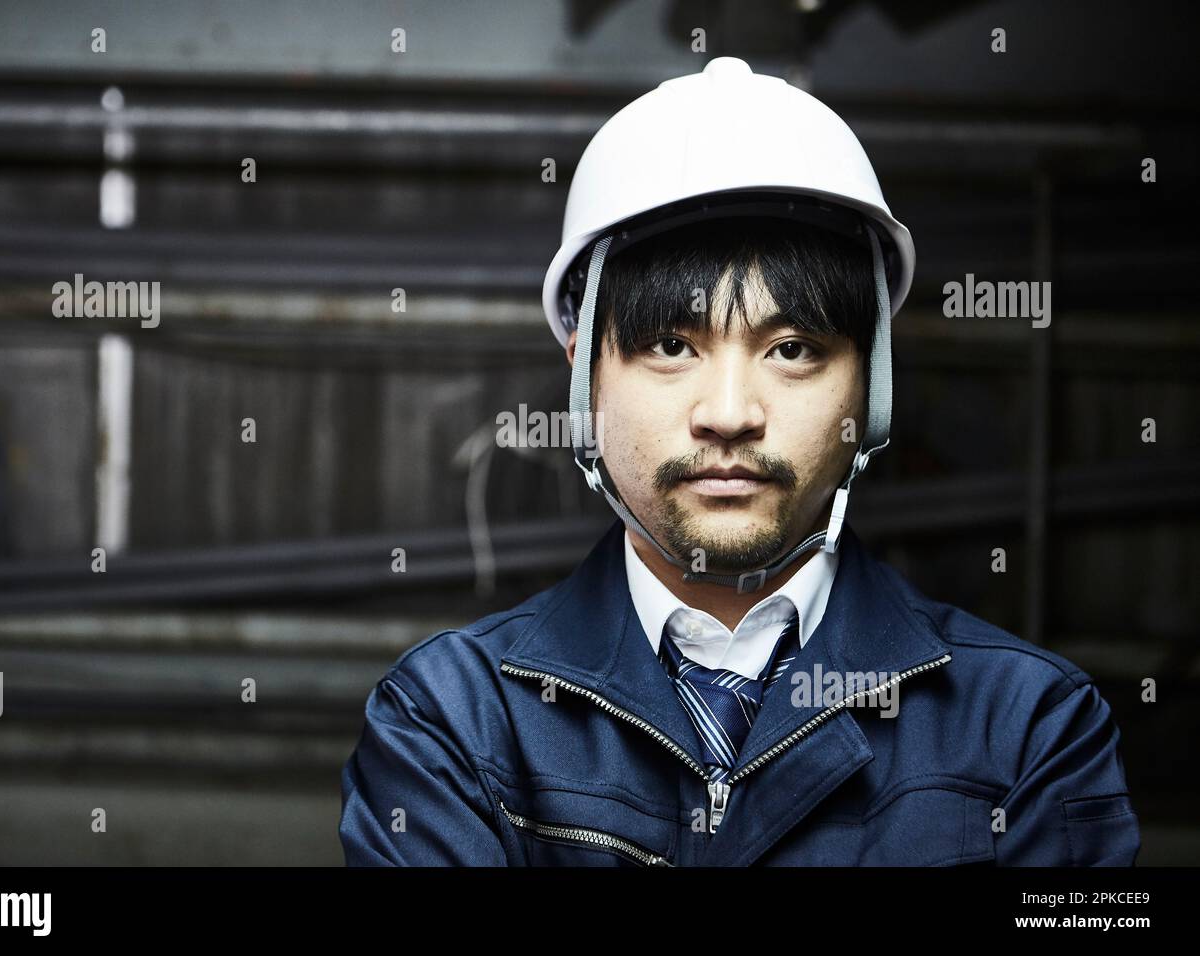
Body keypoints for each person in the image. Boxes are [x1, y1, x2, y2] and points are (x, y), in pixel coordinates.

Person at [338, 57, 1140, 866]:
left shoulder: (1029, 729)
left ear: (871, 388)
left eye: (792, 349)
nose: (729, 414)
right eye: (670, 345)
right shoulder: (451, 721)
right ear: (584, 378)